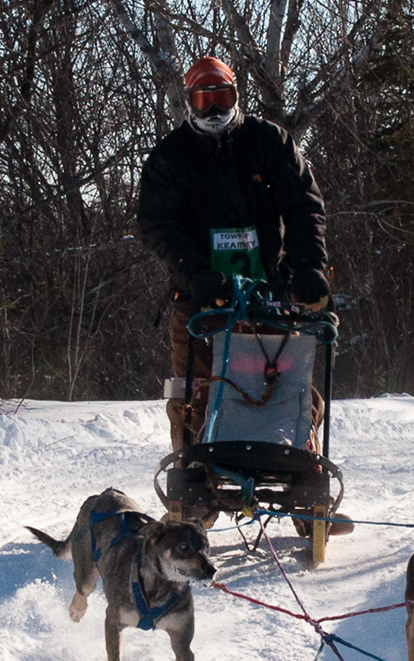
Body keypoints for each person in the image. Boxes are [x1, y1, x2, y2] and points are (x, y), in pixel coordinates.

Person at [137, 55, 330, 456]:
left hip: (269, 295)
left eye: (222, 97)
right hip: (199, 299)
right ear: (189, 102)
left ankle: (301, 469)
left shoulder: (268, 142)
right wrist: (193, 272)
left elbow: (303, 207)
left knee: (289, 389)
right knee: (193, 397)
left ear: (236, 96)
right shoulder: (171, 156)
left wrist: (309, 266)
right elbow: (158, 224)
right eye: (204, 99)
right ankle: (192, 477)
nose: (214, 109)